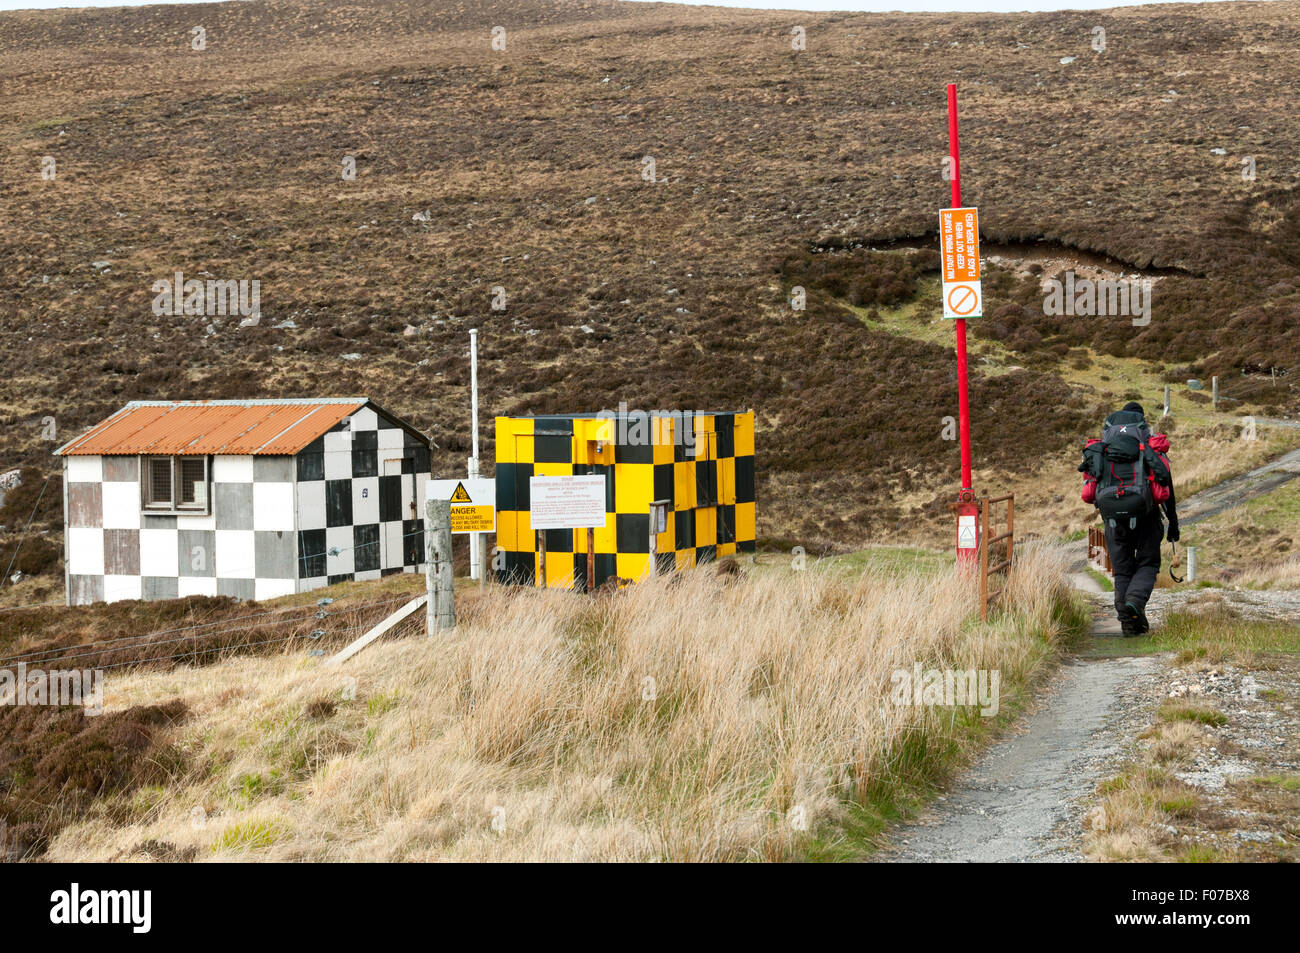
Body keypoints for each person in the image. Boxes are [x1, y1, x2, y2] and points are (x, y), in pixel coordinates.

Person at [1079, 402, 1179, 636]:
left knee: (1123, 571)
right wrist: (1173, 524)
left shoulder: (1103, 449)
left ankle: (1127, 621)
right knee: (1148, 563)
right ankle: (1134, 602)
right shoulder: (1149, 447)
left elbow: (1090, 485)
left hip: (1112, 518)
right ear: (1142, 422)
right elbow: (1166, 486)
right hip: (1146, 515)